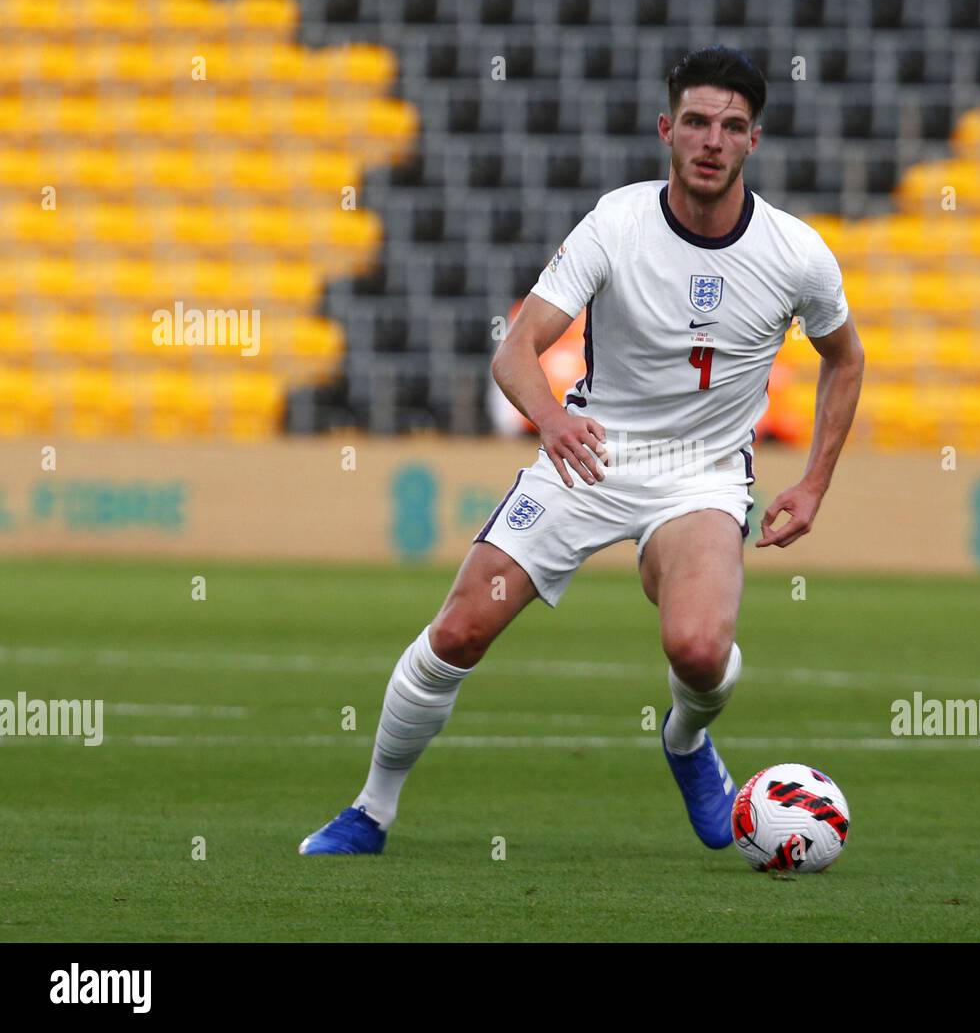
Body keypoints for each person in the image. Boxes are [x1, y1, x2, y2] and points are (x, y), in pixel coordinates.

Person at [300, 45, 863, 855]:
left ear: (754, 142)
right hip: (589, 455)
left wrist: (813, 484)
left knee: (700, 652)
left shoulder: (796, 253)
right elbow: (515, 352)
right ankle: (371, 811)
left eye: (732, 126)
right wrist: (552, 422)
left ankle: (686, 741)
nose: (712, 140)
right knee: (459, 631)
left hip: (699, 474)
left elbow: (846, 359)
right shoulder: (617, 222)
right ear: (668, 129)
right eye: (698, 122)